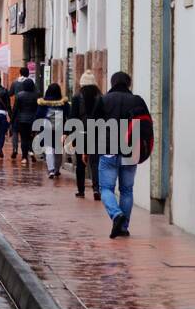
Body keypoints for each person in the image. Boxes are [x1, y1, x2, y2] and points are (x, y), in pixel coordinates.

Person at [91, 71, 152, 239]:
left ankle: (116, 214)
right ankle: (124, 227)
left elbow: (94, 126)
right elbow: (146, 125)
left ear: (112, 83)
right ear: (128, 83)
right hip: (130, 150)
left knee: (106, 188)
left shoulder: (103, 100)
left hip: (108, 149)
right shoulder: (137, 101)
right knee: (126, 190)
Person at [70, 70, 103, 200]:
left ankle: (81, 190)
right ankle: (96, 189)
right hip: (96, 132)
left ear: (82, 83)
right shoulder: (100, 97)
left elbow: (73, 117)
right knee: (95, 162)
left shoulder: (77, 97)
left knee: (80, 163)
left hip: (80, 132)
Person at [39, 83, 69, 179]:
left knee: (48, 149)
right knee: (58, 150)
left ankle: (51, 170)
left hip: (47, 127)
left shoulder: (43, 102)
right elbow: (69, 114)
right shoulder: (63, 102)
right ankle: (57, 169)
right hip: (59, 127)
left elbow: (38, 115)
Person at [10, 73, 39, 164]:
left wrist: (12, 120)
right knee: (31, 137)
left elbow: (15, 109)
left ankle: (24, 157)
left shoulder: (19, 95)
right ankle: (31, 151)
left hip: (22, 119)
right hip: (33, 119)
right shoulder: (37, 95)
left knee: (23, 138)